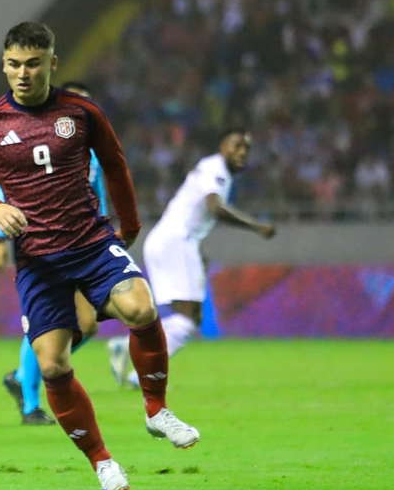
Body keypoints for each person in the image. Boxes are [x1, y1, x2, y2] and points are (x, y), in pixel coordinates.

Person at [0, 22, 200, 490]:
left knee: (142, 308)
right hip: (39, 263)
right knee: (52, 366)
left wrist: (128, 227)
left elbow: (115, 164)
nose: (22, 74)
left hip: (90, 242)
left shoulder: (82, 111)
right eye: (13, 64)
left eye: (31, 63)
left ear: (52, 62)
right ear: (4, 64)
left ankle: (156, 410)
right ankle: (103, 462)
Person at [108, 128, 275, 386]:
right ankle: (131, 354)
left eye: (246, 148)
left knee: (187, 318)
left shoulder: (212, 169)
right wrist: (256, 225)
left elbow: (192, 213)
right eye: (236, 145)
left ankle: (136, 371)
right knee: (188, 320)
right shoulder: (216, 167)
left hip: (171, 240)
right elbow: (214, 207)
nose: (242, 152)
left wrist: (198, 251)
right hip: (176, 242)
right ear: (223, 146)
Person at [0, 81, 105, 426]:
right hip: (41, 246)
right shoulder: (40, 144)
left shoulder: (92, 153)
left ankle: (21, 375)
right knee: (45, 324)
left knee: (87, 325)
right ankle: (29, 405)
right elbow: (5, 188)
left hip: (82, 244)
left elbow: (95, 196)